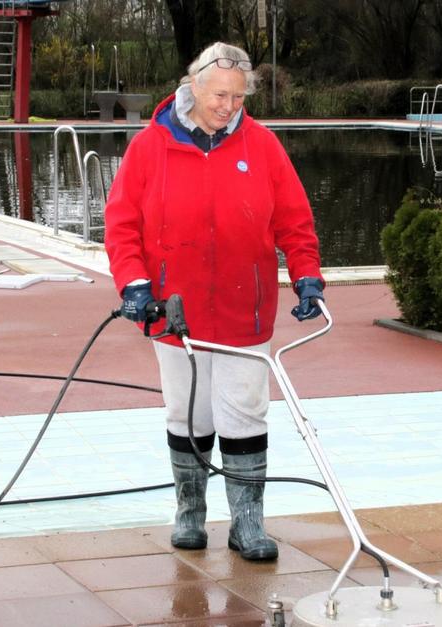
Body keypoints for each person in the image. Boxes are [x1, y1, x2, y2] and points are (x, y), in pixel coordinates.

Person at [104, 42, 325, 561]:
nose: (229, 105)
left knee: (246, 412)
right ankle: (190, 512)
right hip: (172, 309)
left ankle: (248, 524)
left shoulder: (263, 146)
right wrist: (134, 284)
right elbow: (121, 225)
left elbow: (295, 220)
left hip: (242, 307)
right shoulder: (150, 146)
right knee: (186, 412)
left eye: (239, 96)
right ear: (194, 84)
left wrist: (307, 275)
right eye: (221, 94)